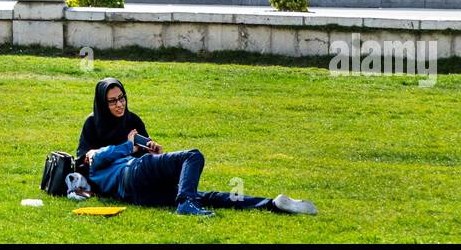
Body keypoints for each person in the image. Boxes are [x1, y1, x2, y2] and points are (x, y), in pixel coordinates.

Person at [75, 78, 315, 217]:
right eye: (113, 100)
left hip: (141, 189)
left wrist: (150, 148)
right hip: (133, 174)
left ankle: (271, 204)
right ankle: (185, 206)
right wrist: (128, 147)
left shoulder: (132, 120)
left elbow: (143, 147)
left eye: (122, 97)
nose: (120, 104)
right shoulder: (94, 145)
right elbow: (91, 158)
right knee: (192, 156)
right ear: (101, 103)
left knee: (203, 196)